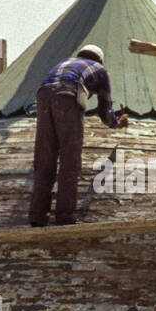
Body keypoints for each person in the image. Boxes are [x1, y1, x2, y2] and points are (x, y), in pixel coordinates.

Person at [28, 45, 128, 227]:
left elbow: (50, 86)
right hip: (67, 95)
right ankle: (65, 216)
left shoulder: (65, 62)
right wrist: (116, 122)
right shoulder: (100, 70)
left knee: (44, 157)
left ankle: (37, 215)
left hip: (43, 96)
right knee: (69, 158)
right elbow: (104, 108)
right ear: (99, 60)